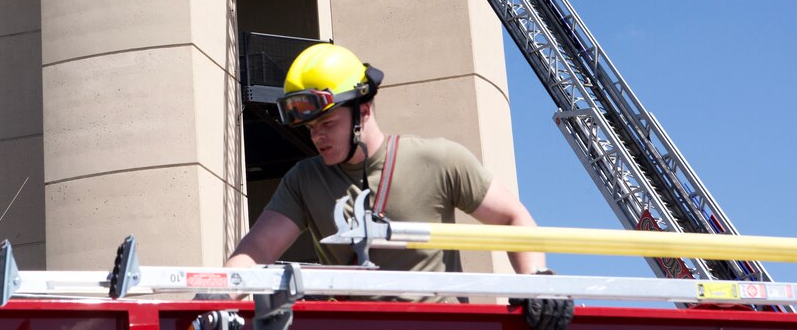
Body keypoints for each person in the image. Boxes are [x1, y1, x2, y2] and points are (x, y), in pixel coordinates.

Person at [226, 43, 572, 329]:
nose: (317, 136)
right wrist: (208, 299)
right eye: (310, 127)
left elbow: (512, 219)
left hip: (437, 324)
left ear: (363, 110)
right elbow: (257, 250)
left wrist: (536, 282)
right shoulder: (304, 180)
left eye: (327, 123)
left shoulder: (439, 159)